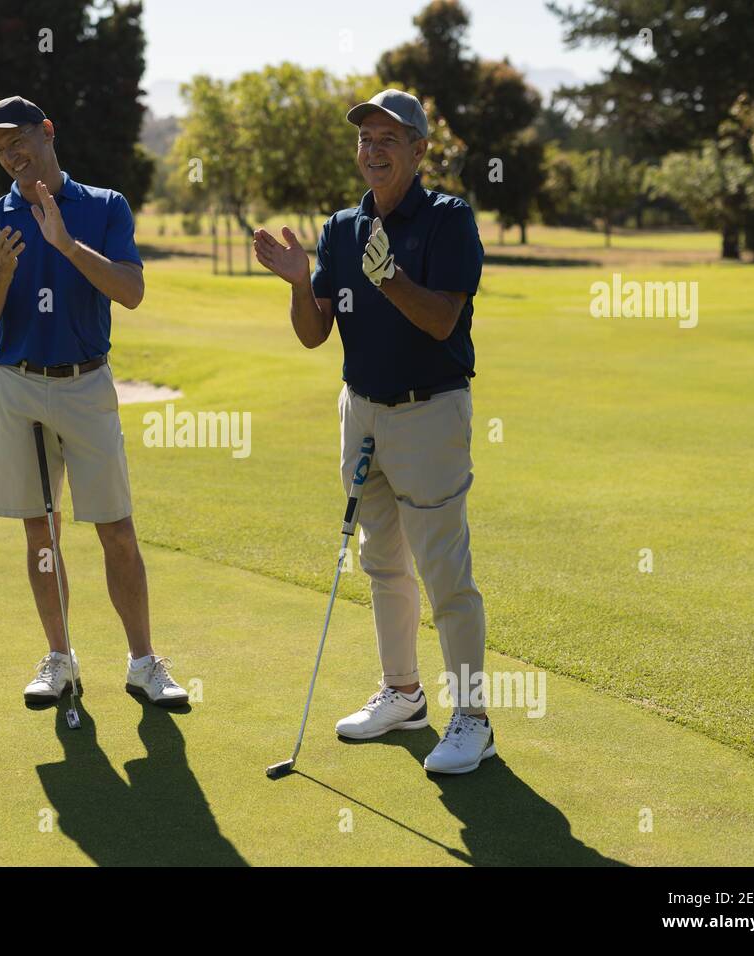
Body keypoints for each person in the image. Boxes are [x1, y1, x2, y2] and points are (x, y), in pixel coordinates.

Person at [254, 89, 493, 773]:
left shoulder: (448, 219)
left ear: (419, 150)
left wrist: (388, 277)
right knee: (381, 562)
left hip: (430, 411)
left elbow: (444, 319)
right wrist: (301, 285)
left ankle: (472, 718)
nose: (375, 150)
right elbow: (314, 332)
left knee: (446, 573)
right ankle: (402, 694)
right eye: (366, 139)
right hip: (360, 410)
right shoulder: (340, 227)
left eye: (390, 138)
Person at [0, 96, 187, 710]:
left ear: (47, 131)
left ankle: (144, 662)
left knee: (116, 528)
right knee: (40, 530)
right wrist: (2, 270)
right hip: (19, 386)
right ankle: (59, 659)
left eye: (18, 141)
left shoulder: (106, 206)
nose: (11, 155)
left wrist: (63, 243)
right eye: (0, 149)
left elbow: (132, 291)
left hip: (87, 385)